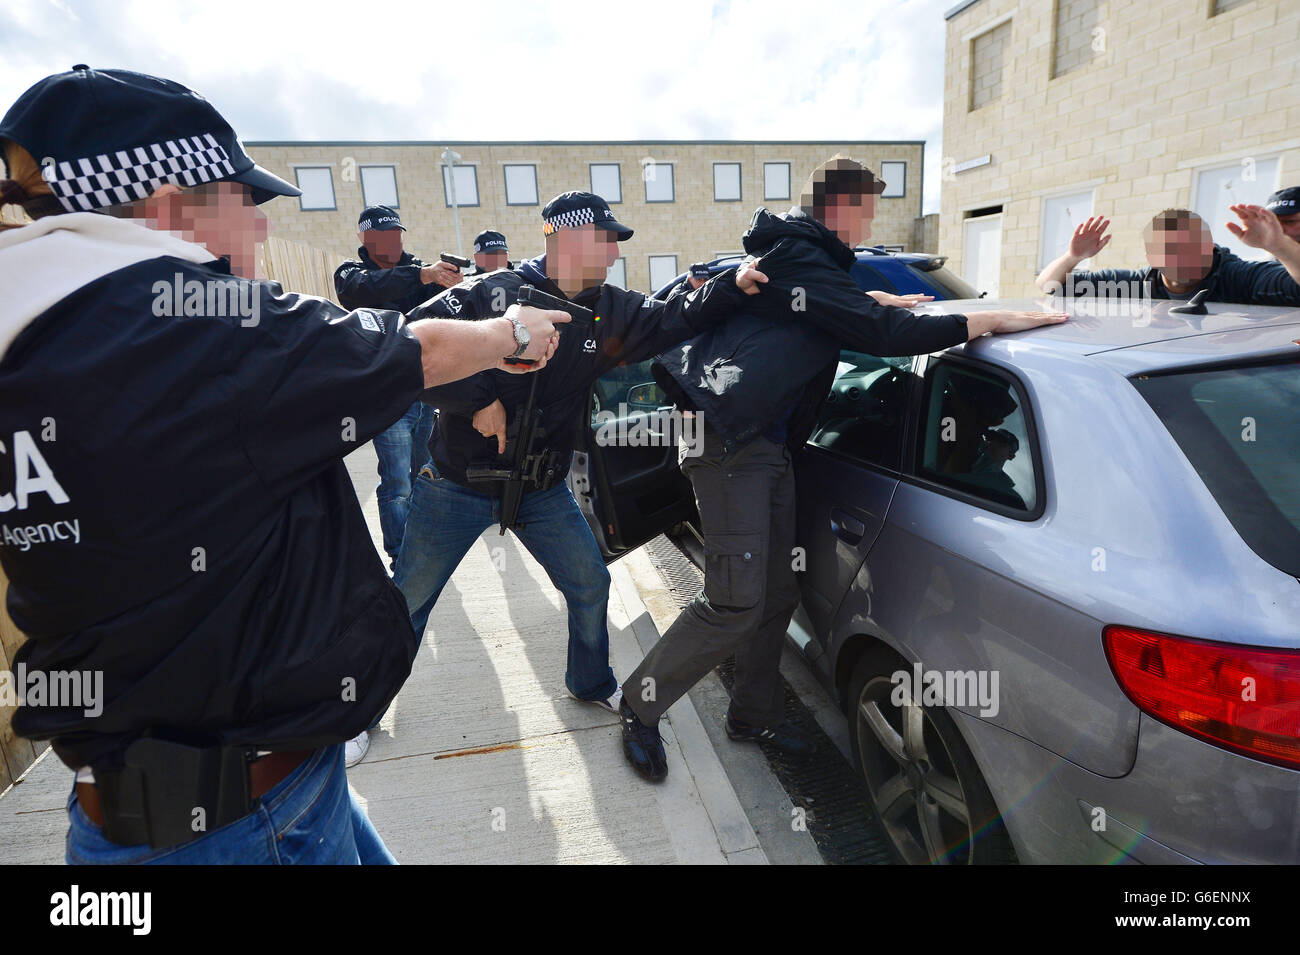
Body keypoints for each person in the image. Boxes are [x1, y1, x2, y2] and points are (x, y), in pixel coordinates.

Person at [0, 66, 567, 864]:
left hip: (166, 807)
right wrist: (510, 330)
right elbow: (415, 346)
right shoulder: (194, 326)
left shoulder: (32, 334)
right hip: (245, 827)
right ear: (168, 204)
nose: (260, 232)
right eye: (241, 203)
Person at [618, 155, 1067, 782]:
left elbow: (817, 309)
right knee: (734, 600)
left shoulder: (811, 259)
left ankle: (752, 716)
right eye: (869, 206)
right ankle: (639, 706)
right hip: (727, 444)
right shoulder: (801, 254)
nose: (872, 218)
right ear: (842, 206)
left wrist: (866, 297)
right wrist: (983, 317)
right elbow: (878, 334)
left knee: (777, 593)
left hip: (766, 445)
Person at [392, 191, 768, 720]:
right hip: (457, 483)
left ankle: (589, 683)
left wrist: (731, 285)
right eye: (606, 241)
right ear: (566, 238)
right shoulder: (490, 293)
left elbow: (676, 318)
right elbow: (408, 350)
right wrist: (480, 401)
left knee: (590, 584)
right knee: (406, 601)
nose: (614, 255)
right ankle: (354, 714)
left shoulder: (613, 309)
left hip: (542, 487)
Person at [334, 205, 460, 576]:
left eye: (396, 234)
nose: (393, 241)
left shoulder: (422, 271)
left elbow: (447, 320)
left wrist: (450, 283)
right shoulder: (352, 273)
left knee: (426, 479)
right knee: (397, 483)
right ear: (364, 239)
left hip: (428, 393)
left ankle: (425, 553)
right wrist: (422, 275)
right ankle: (401, 560)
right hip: (387, 399)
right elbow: (360, 290)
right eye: (383, 236)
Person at [1035, 209, 1300, 304]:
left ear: (1209, 246)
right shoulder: (1137, 285)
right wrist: (1073, 257)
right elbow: (1049, 286)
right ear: (1151, 256)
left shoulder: (1238, 278)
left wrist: (1280, 247)